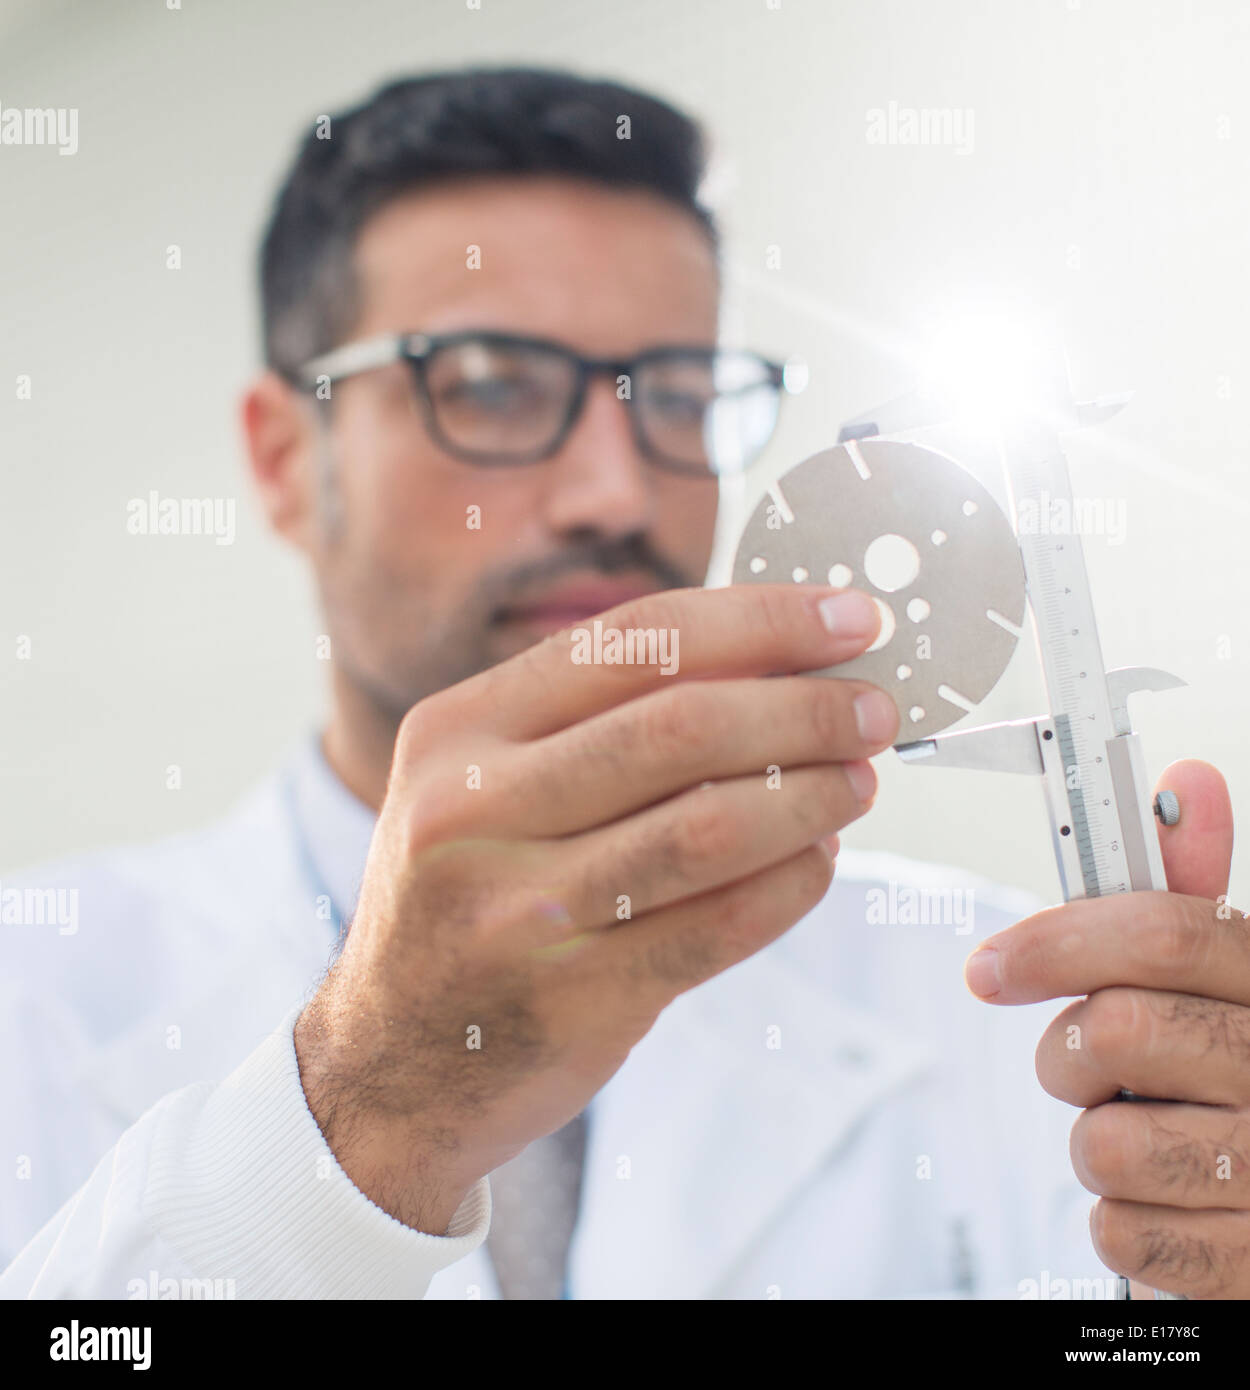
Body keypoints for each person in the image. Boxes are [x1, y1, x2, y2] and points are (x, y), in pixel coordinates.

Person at [1, 67, 1241, 1301]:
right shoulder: (33, 995)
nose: (616, 491)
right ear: (283, 459)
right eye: (491, 385)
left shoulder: (1006, 999)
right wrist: (372, 1104)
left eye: (680, 396)